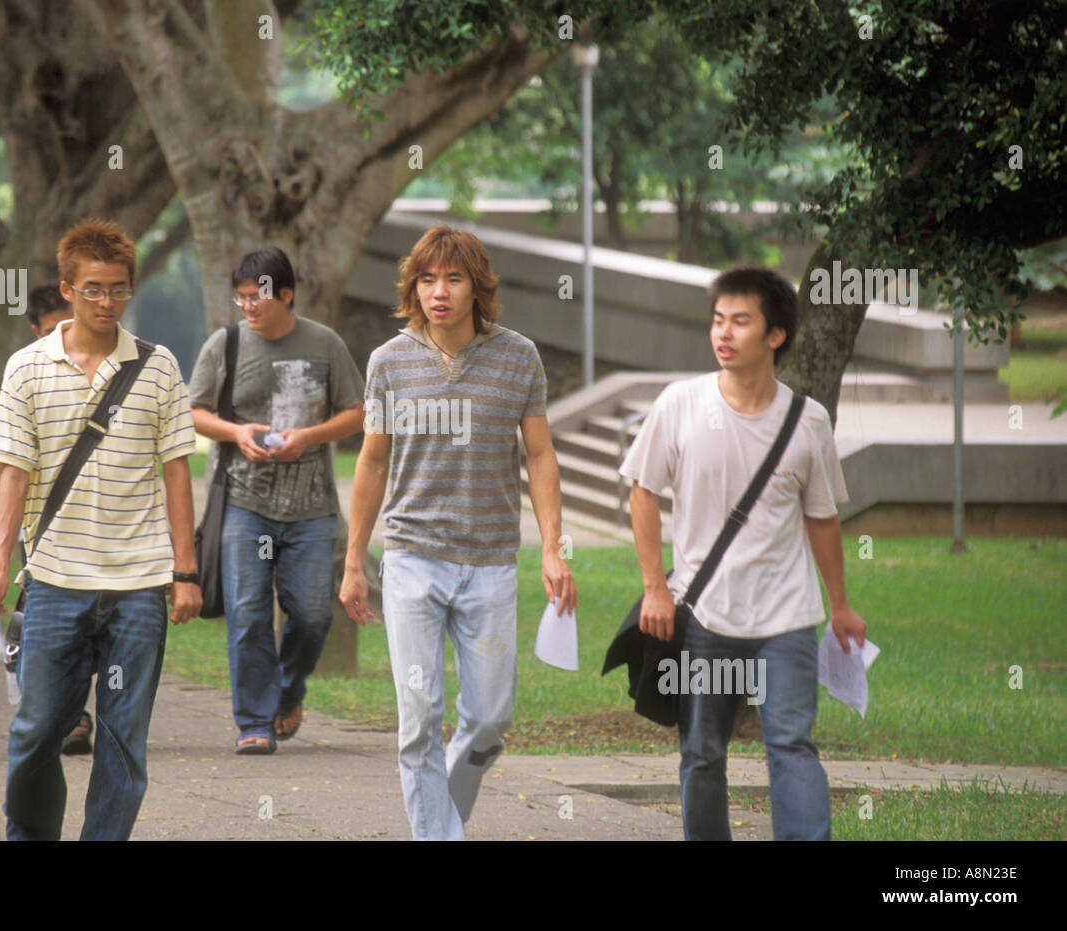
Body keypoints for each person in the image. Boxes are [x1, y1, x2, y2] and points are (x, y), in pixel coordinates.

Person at [340, 226, 578, 840]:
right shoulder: (389, 361)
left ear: (478, 286)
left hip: (491, 563)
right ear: (412, 288)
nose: (438, 292)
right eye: (426, 280)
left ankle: (441, 819)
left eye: (452, 279)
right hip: (413, 560)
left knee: (491, 720)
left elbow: (541, 456)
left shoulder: (518, 356)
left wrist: (553, 547)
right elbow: (371, 461)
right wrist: (352, 562)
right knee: (419, 718)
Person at [0, 218, 202, 841]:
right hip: (54, 579)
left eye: (119, 289)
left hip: (139, 584)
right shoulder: (25, 368)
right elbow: (13, 472)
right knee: (39, 728)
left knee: (124, 743)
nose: (107, 302)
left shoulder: (158, 368)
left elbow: (177, 473)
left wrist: (185, 571)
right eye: (95, 289)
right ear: (68, 290)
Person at [620, 266, 867, 841]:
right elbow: (642, 490)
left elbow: (823, 519)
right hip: (705, 617)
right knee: (702, 751)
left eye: (740, 321)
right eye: (717, 320)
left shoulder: (808, 422)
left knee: (791, 744)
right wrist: (656, 586)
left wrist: (840, 605)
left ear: (775, 335)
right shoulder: (680, 403)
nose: (723, 333)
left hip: (787, 620)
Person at [189, 247, 364, 754]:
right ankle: (254, 722)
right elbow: (193, 412)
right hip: (245, 503)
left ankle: (287, 692)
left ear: (285, 294)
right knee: (248, 612)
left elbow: (357, 412)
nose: (248, 306)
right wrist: (236, 432)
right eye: (241, 297)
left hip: (311, 507)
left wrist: (308, 437)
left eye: (258, 297)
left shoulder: (323, 343)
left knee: (312, 615)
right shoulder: (225, 345)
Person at [0, 283, 93, 755]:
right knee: (46, 618)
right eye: (56, 328)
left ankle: (70, 712)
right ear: (36, 329)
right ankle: (67, 716)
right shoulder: (26, 374)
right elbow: (4, 462)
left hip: (96, 521)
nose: (67, 334)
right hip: (40, 524)